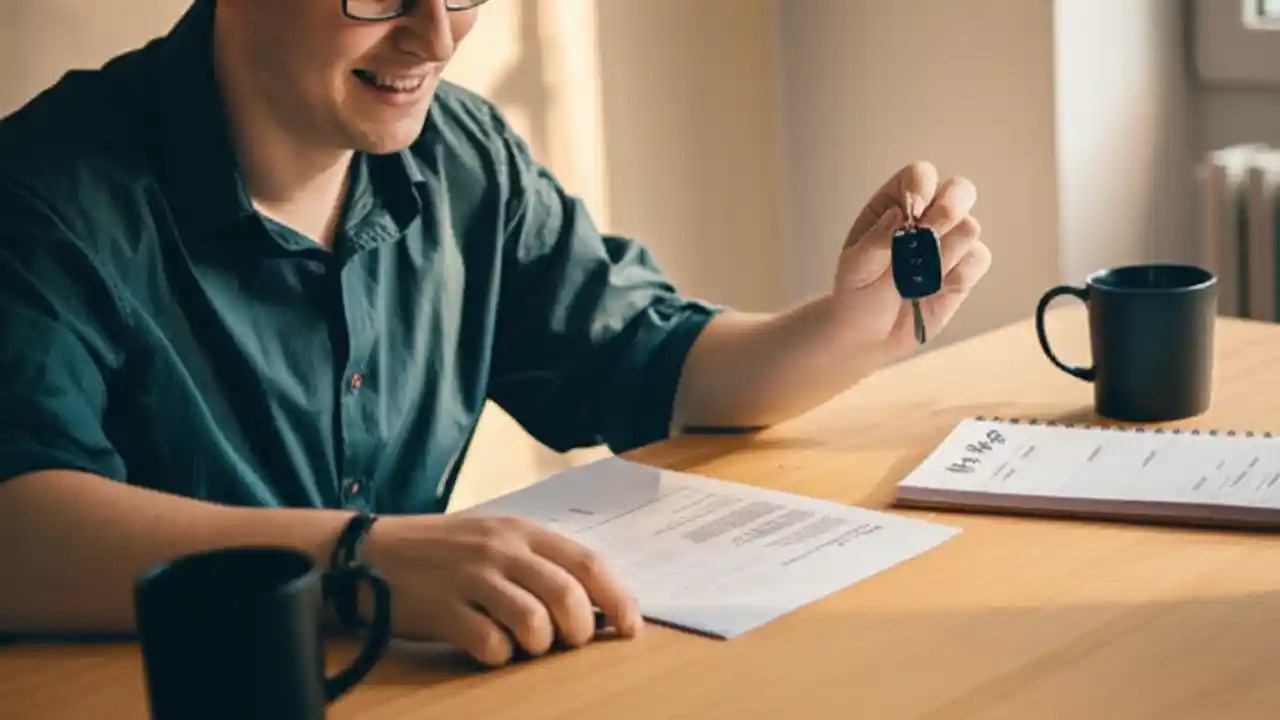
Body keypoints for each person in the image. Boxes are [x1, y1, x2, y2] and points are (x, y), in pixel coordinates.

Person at [0, 0, 991, 666]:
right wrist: (360, 563)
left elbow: (648, 362)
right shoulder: (45, 195)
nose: (435, 35)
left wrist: (850, 328)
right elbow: (19, 532)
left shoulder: (462, 152)